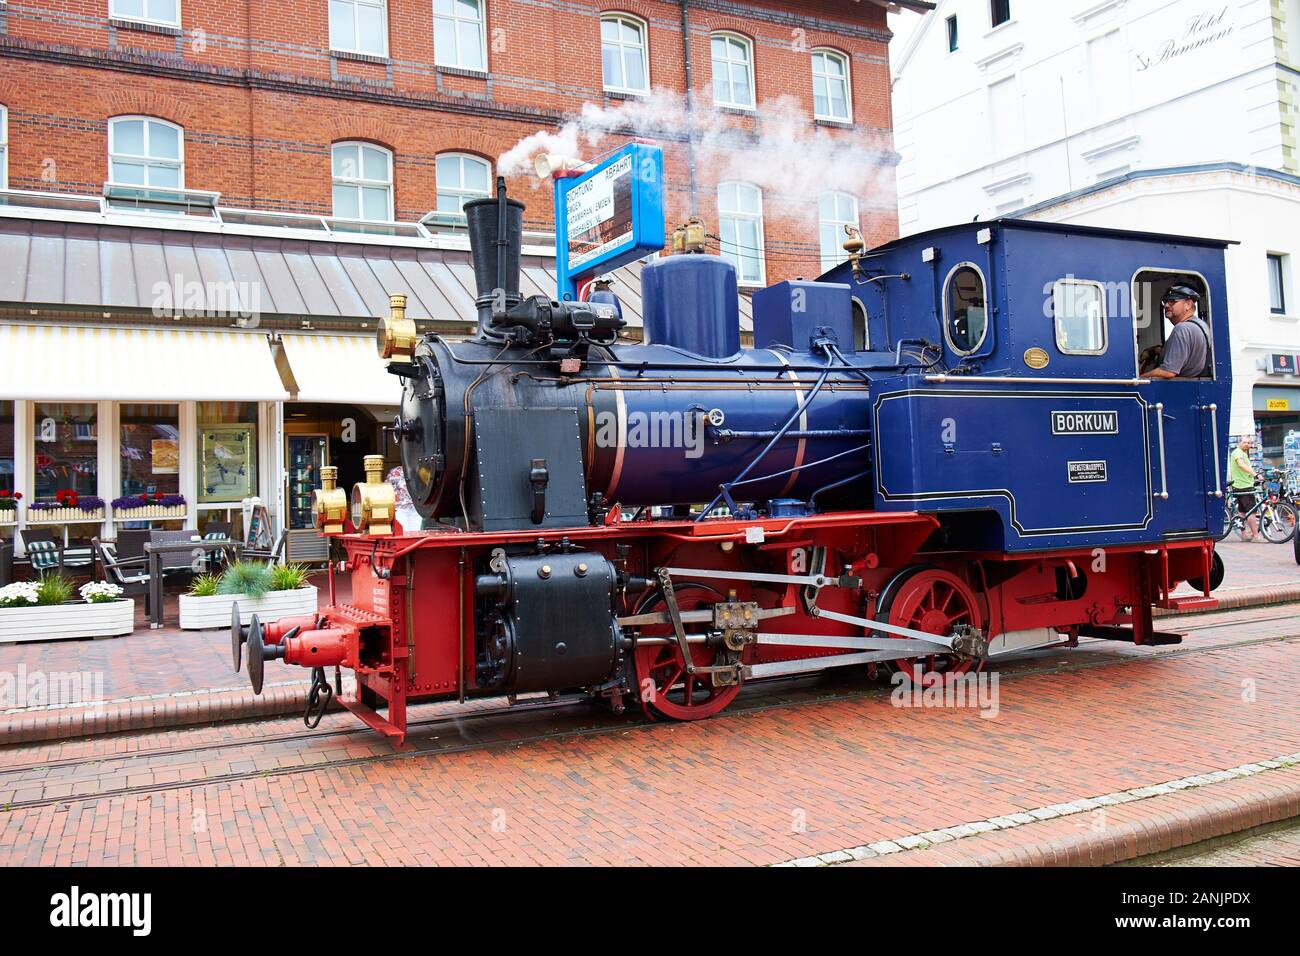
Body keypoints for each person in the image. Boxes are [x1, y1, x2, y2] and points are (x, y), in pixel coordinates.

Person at [1142, 285, 1212, 379]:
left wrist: (1140, 378)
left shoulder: (1182, 329)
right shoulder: (1201, 325)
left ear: (1188, 304)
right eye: (1165, 302)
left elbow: (1168, 372)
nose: (1166, 305)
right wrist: (1158, 351)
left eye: (1172, 301)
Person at [1228, 436, 1260, 541]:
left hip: (1240, 485)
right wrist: (1255, 474)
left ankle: (1244, 535)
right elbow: (1241, 465)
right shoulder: (1238, 452)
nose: (1247, 444)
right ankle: (1256, 536)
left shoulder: (1242, 453)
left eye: (1249, 443)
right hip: (1244, 486)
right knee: (1251, 511)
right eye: (1245, 442)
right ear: (1239, 442)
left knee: (1242, 511)